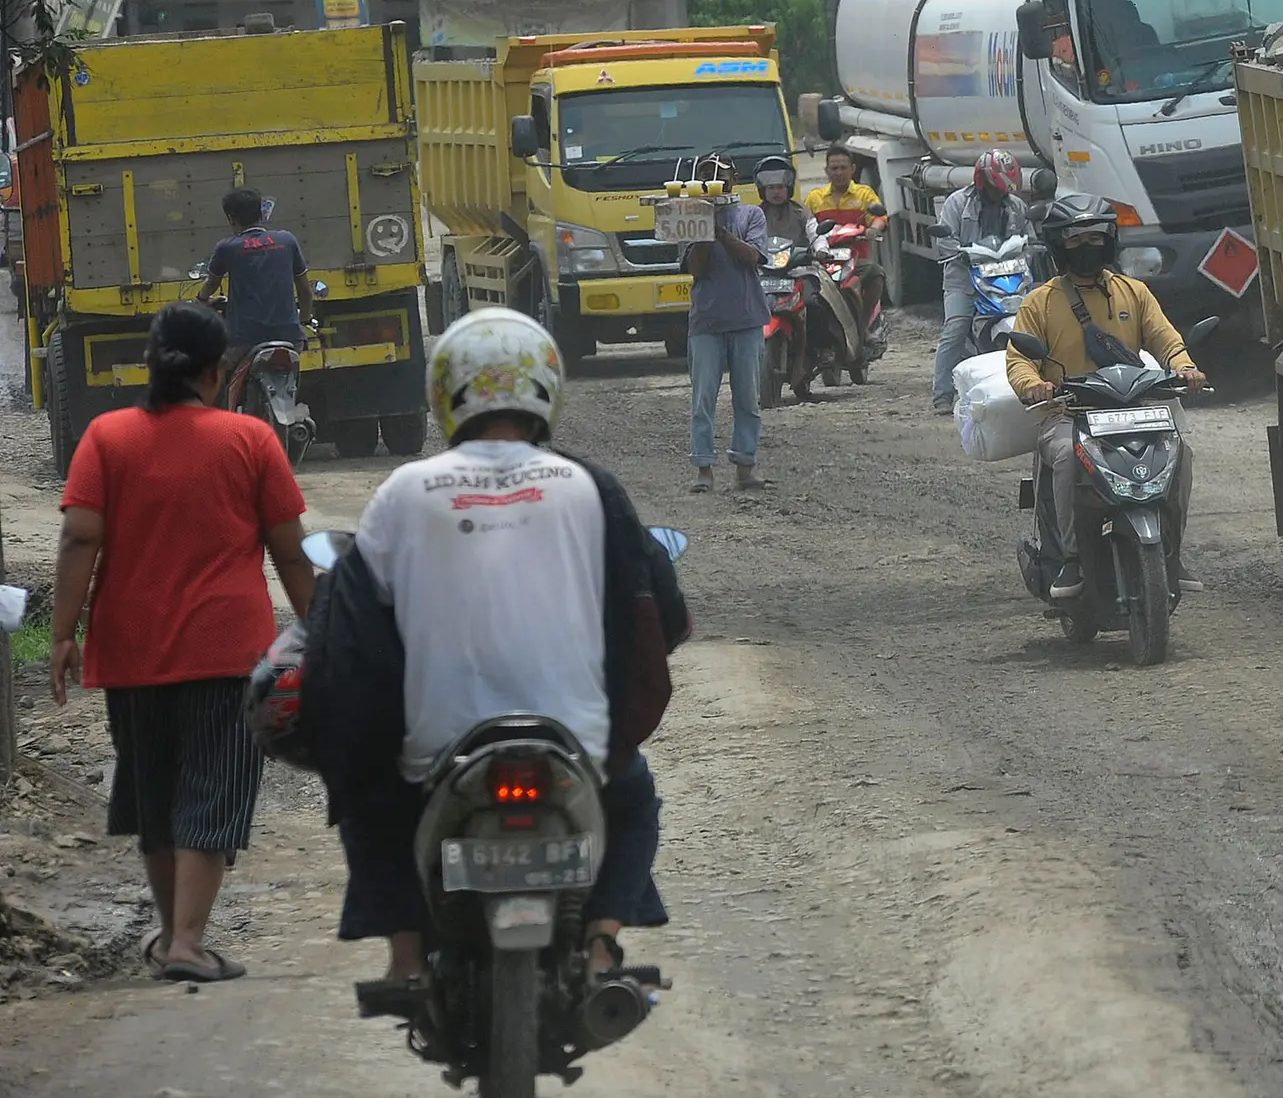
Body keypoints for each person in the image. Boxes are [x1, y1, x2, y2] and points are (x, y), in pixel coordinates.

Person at [304, 308, 691, 995]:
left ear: (444, 392)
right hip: (575, 742)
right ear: (546, 388)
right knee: (633, 800)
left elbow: (350, 630)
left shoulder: (403, 491)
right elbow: (662, 615)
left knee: (371, 803)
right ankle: (602, 946)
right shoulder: (588, 487)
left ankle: (404, 958)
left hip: (440, 746)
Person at [51, 300, 317, 984]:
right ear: (215, 370)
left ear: (149, 363)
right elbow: (290, 553)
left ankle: (174, 935)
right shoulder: (250, 441)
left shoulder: (106, 438)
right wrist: (321, 630)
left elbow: (81, 535)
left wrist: (62, 634)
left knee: (156, 792)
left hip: (130, 648)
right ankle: (187, 944)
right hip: (228, 651)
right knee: (214, 792)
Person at [1003, 194, 1208, 598]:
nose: (1086, 248)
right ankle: (1072, 560)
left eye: (1094, 238)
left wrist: (1185, 367)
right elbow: (1018, 361)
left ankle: (1172, 554)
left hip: (1134, 408)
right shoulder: (1040, 303)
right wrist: (1033, 385)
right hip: (1068, 413)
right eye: (1076, 241)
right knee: (1063, 455)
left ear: (1110, 241)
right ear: (1059, 245)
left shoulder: (1135, 292)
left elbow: (1166, 339)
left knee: (1179, 452)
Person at [681, 153, 770, 492]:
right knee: (703, 398)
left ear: (734, 178)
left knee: (748, 398)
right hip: (706, 321)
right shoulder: (687, 218)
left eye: (719, 175)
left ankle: (744, 465)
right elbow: (697, 268)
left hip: (746, 318)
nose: (713, 181)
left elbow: (752, 257)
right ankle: (704, 469)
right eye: (705, 176)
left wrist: (718, 230)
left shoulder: (751, 214)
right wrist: (704, 229)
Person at [933, 150, 1031, 415]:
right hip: (964, 278)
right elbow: (944, 239)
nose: (1001, 194)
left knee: (1034, 320)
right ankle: (942, 394)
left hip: (1006, 275)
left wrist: (1033, 248)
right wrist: (959, 252)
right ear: (983, 181)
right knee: (956, 328)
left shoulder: (1016, 206)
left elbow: (1028, 237)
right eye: (997, 187)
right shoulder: (957, 203)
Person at [197, 185, 315, 389]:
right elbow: (305, 291)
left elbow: (211, 285)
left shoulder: (227, 247)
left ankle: (232, 417)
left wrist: (200, 300)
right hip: (289, 337)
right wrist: (303, 320)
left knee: (221, 377)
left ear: (231, 218)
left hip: (244, 341)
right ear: (261, 213)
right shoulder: (287, 240)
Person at [751, 155, 821, 250]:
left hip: (800, 262)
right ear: (762, 191)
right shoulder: (756, 215)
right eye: (771, 187)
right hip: (767, 262)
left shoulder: (801, 211)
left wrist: (821, 249)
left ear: (789, 189)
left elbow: (814, 231)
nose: (776, 192)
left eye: (780, 187)